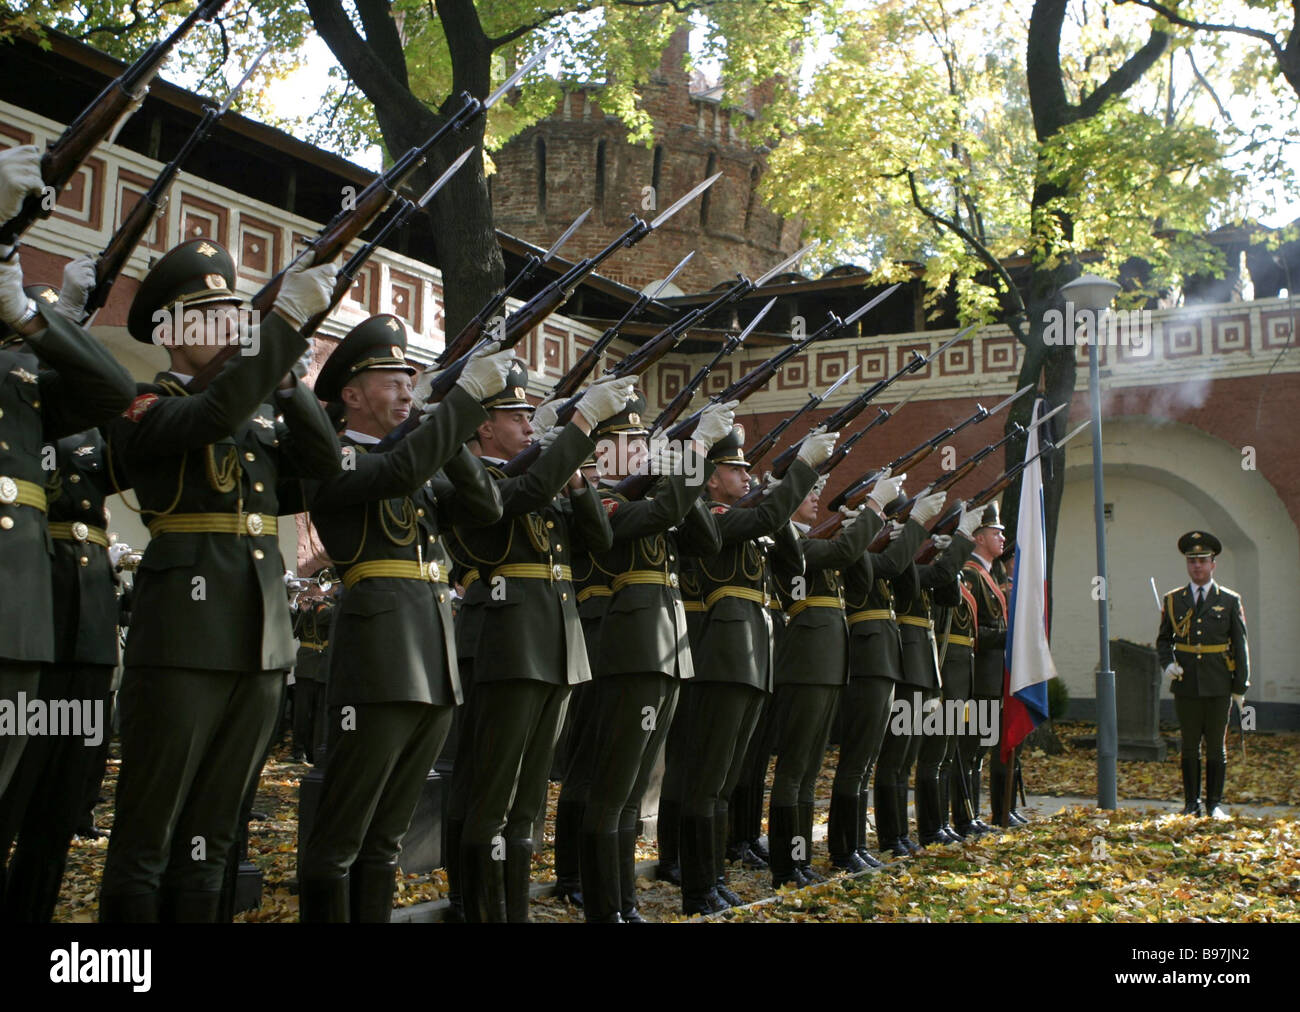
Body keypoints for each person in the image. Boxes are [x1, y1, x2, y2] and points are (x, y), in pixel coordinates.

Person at [97, 238, 341, 921]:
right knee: (149, 833)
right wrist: (279, 336)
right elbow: (209, 416)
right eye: (212, 314)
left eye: (238, 313)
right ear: (173, 330)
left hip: (259, 642)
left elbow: (321, 469)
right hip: (183, 640)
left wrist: (291, 385)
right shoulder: (146, 405)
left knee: (215, 834)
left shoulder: (255, 408)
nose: (232, 324)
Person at [296, 315, 509, 922]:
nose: (406, 392)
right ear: (352, 394)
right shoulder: (332, 456)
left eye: (411, 381)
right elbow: (398, 471)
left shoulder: (416, 455)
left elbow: (484, 505)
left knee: (388, 837)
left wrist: (448, 426)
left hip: (431, 659)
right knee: (341, 836)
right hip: (378, 657)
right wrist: (456, 409)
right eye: (393, 381)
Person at [445, 366, 629, 922]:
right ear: (482, 429)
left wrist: (577, 483)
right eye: (516, 416)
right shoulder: (471, 474)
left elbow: (598, 541)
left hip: (555, 639)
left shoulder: (541, 477)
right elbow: (512, 501)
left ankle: (514, 909)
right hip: (510, 641)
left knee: (528, 799)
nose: (529, 424)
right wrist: (579, 426)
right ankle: (480, 910)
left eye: (531, 415)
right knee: (493, 793)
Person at [0, 252, 132, 921]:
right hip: (33, 611)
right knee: (13, 787)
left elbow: (108, 389)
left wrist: (62, 324)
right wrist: (53, 322)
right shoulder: (23, 404)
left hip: (84, 632)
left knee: (62, 796)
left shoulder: (77, 417)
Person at [569, 394, 729, 921]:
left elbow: (704, 539)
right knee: (612, 789)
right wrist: (695, 450)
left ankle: (624, 904)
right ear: (603, 450)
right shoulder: (602, 500)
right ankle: (604, 906)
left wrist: (677, 474)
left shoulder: (657, 495)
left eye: (645, 441)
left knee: (634, 793)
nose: (641, 448)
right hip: (632, 650)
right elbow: (655, 514)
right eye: (631, 442)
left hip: (667, 648)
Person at [672, 424, 832, 914]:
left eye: (747, 469)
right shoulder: (709, 515)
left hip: (755, 657)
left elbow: (793, 562)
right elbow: (760, 515)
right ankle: (698, 889)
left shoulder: (753, 521)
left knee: (724, 781)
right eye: (734, 469)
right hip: (723, 656)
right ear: (710, 478)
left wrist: (776, 503)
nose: (744, 476)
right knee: (708, 779)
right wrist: (798, 471)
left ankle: (715, 877)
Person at [767, 476, 881, 887]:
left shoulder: (822, 544)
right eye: (809, 491)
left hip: (829, 664)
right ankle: (784, 865)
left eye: (818, 491)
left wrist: (855, 529)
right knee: (794, 768)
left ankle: (799, 862)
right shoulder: (789, 539)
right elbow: (840, 552)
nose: (816, 498)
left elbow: (862, 581)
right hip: (804, 663)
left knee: (810, 770)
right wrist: (873, 515)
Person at [891, 509, 979, 848]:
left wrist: (946, 555)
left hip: (930, 666)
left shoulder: (918, 564)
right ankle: (899, 834)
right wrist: (953, 552)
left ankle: (927, 827)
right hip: (910, 663)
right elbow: (930, 576)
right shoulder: (895, 563)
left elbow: (949, 594)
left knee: (922, 756)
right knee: (899, 760)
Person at [1156, 531, 1249, 820]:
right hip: (1187, 684)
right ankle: (1191, 802)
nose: (1197, 566)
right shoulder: (1174, 600)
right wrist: (1167, 664)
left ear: (1213, 565)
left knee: (1216, 746)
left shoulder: (1230, 601)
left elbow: (1241, 644)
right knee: (1189, 744)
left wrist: (1240, 684)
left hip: (1219, 681)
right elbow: (1163, 640)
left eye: (1202, 560)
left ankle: (1214, 804)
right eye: (1192, 561)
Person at [961, 502, 1017, 827]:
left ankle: (975, 815)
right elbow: (970, 630)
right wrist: (1007, 637)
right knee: (971, 750)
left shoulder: (988, 576)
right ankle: (966, 817)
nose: (1001, 537)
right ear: (979, 537)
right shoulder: (971, 573)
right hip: (979, 677)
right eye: (996, 532)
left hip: (992, 677)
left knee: (980, 751)